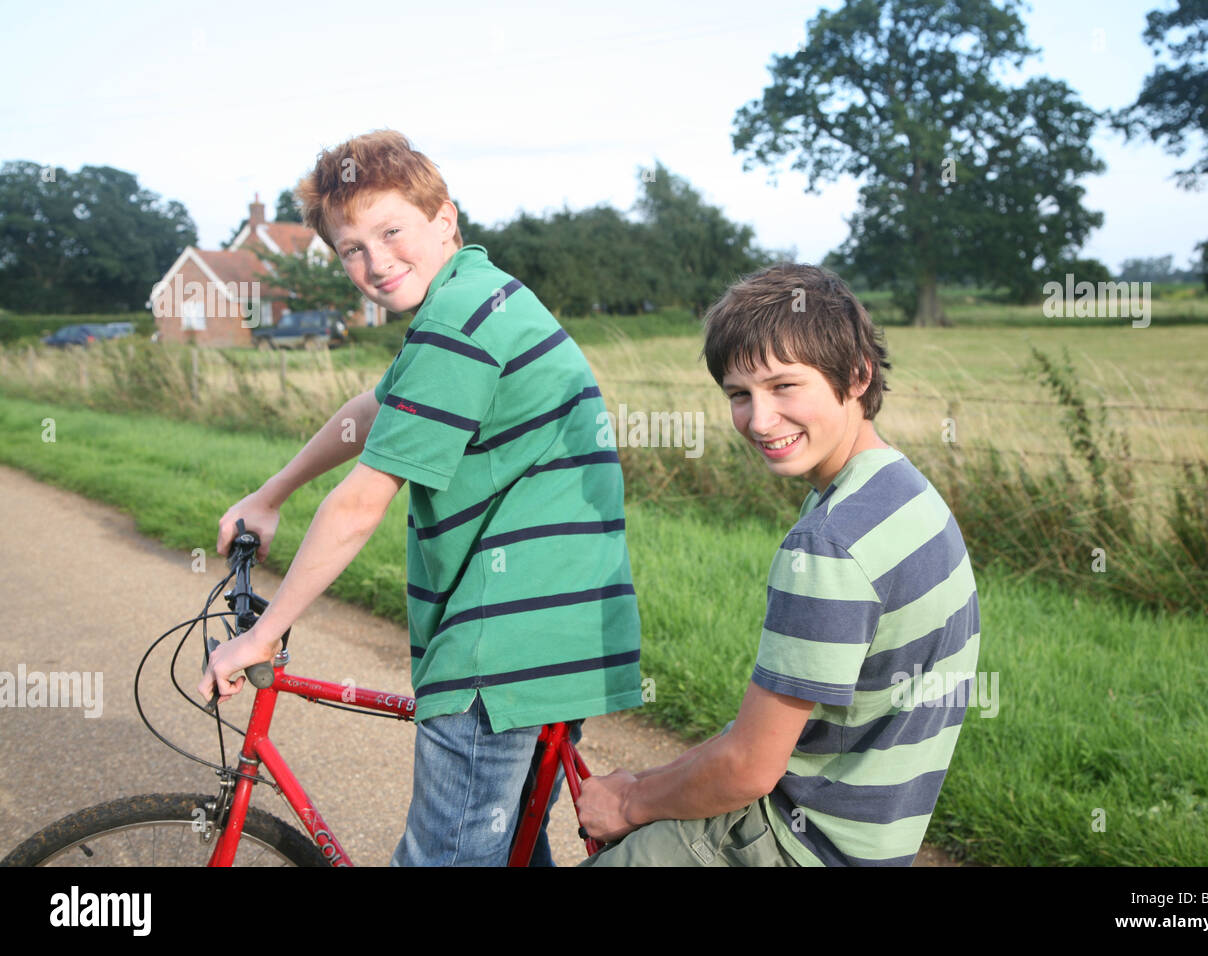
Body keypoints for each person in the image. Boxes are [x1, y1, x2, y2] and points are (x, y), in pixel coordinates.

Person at [198, 130, 642, 866]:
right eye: (351, 249)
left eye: (390, 232)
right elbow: (372, 410)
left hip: (501, 643)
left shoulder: (458, 320)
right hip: (554, 628)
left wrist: (263, 634)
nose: (375, 262)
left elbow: (360, 503)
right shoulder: (476, 298)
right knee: (503, 851)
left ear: (444, 220)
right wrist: (270, 493)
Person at [576, 263, 980, 866]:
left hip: (795, 845)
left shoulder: (829, 544)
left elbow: (748, 768)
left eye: (784, 386)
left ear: (857, 374)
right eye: (739, 395)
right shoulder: (905, 493)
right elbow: (763, 737)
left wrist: (630, 805)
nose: (760, 420)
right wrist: (644, 782)